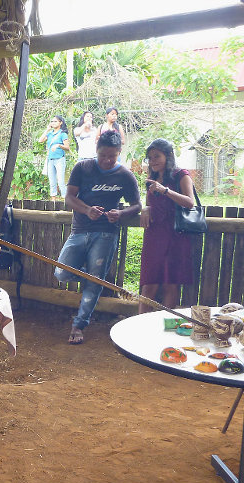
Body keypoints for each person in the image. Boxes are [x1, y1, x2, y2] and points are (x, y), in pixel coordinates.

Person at [55, 130, 141, 345]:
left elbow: (137, 205)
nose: (107, 160)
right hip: (79, 230)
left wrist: (120, 214)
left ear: (119, 152)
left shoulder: (125, 175)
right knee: (61, 272)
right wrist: (86, 210)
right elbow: (69, 197)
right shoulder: (82, 168)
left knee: (95, 280)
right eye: (103, 155)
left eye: (112, 156)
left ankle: (79, 324)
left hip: (106, 234)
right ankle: (94, 279)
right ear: (96, 150)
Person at [138, 139, 195, 313]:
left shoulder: (181, 175)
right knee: (149, 283)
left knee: (171, 283)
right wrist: (146, 208)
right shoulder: (153, 178)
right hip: (154, 235)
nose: (153, 161)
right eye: (150, 157)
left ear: (169, 155)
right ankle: (139, 327)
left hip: (175, 235)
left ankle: (164, 328)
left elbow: (190, 202)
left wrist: (165, 191)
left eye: (157, 156)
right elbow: (150, 202)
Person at [38, 115, 70, 198]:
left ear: (60, 123)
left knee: (61, 181)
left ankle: (65, 199)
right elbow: (40, 140)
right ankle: (53, 201)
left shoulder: (63, 134)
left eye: (55, 121)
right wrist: (47, 129)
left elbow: (67, 147)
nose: (53, 123)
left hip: (60, 159)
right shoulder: (50, 134)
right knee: (52, 182)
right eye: (52, 121)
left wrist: (59, 145)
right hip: (50, 160)